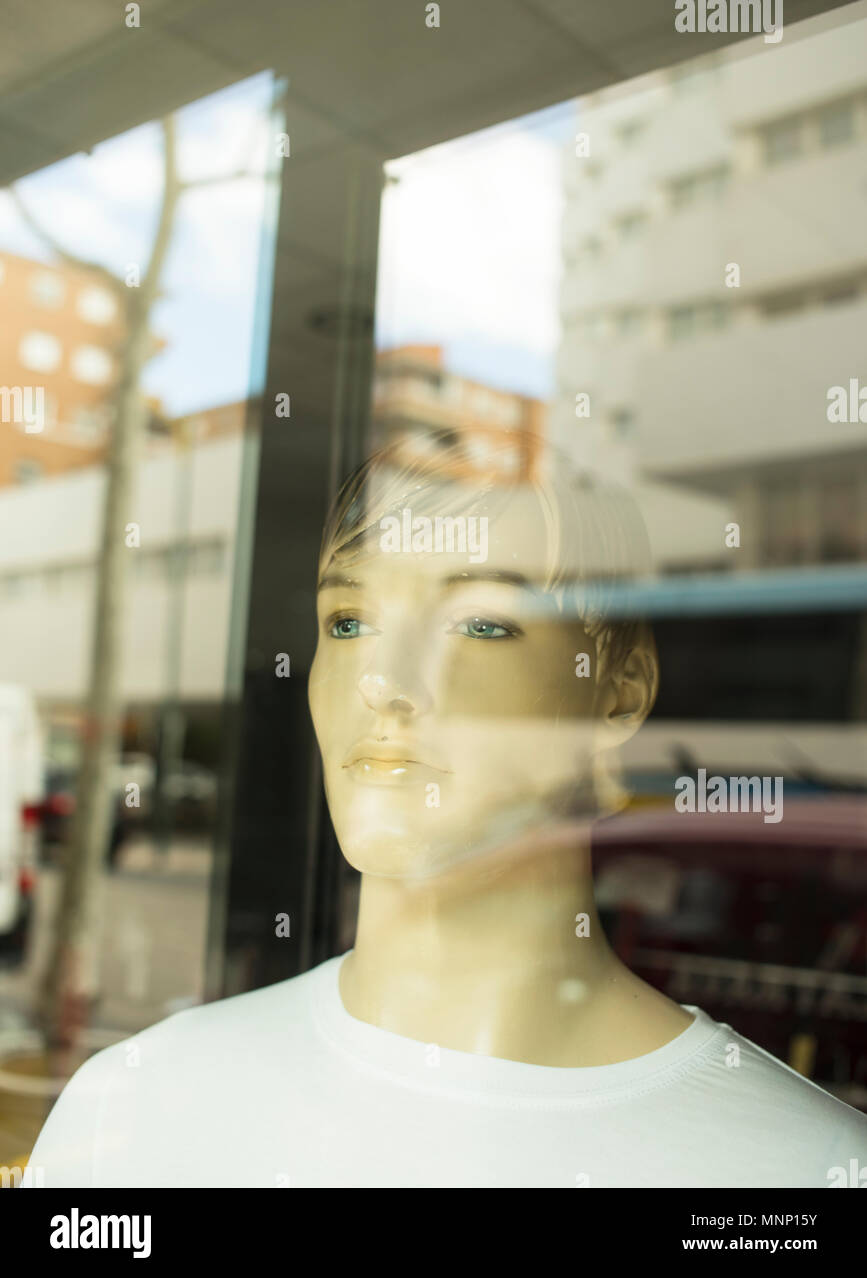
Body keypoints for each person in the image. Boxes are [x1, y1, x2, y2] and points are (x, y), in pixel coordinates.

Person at [23, 434, 867, 1186]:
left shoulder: (805, 1173)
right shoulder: (131, 1113)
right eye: (348, 622)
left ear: (618, 692)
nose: (383, 682)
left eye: (481, 625)